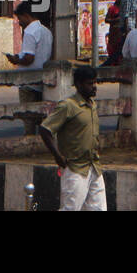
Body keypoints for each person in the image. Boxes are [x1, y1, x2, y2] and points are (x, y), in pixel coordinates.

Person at [40, 65, 105, 211]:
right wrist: (57, 156)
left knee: (99, 208)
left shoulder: (92, 105)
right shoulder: (68, 106)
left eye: (95, 83)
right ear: (78, 84)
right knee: (71, 208)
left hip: (94, 165)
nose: (94, 87)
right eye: (90, 83)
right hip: (75, 168)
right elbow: (45, 129)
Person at [5, 3, 53, 119]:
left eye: (19, 18)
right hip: (42, 79)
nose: (19, 22)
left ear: (26, 16)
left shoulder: (30, 32)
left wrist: (16, 60)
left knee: (29, 119)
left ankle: (30, 137)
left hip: (28, 82)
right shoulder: (46, 31)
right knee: (41, 117)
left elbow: (28, 59)